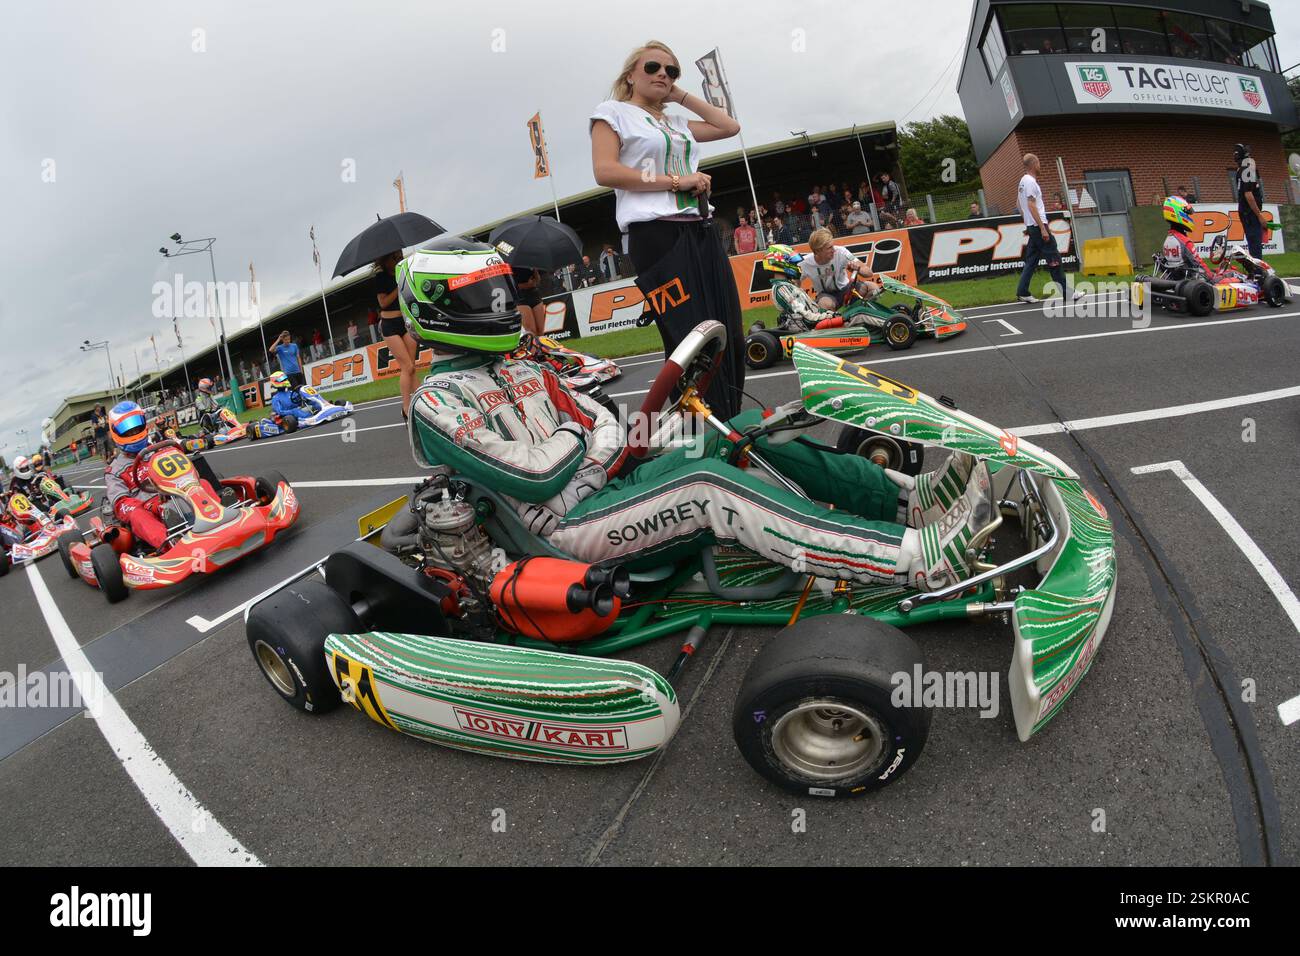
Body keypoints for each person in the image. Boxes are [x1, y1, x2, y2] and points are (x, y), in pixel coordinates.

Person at [400, 237, 988, 594]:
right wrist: (582, 445)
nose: (501, 307)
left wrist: (588, 448)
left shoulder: (524, 367)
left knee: (736, 434)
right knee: (710, 488)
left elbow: (602, 419)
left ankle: (914, 499)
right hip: (565, 534)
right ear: (440, 307)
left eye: (499, 293)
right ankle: (917, 562)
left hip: (608, 487)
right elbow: (536, 475)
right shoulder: (437, 403)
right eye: (483, 298)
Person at [590, 41, 747, 419]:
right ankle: (698, 428)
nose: (663, 73)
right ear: (631, 75)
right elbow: (605, 172)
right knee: (689, 339)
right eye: (653, 68)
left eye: (672, 71)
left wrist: (676, 94)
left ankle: (729, 420)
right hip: (655, 235)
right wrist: (677, 182)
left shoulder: (675, 121)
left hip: (700, 229)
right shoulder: (612, 113)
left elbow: (730, 126)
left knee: (728, 331)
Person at [104, 401, 218, 552]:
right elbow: (120, 503)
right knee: (137, 515)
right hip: (149, 508)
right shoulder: (115, 471)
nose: (134, 432)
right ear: (115, 433)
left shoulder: (161, 450)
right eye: (127, 430)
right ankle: (173, 546)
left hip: (179, 492)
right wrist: (147, 504)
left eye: (137, 427)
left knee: (202, 482)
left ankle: (219, 518)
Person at [1015, 153, 1083, 303]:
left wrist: (1028, 223)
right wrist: (1042, 228)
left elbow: (1019, 205)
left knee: (1032, 260)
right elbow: (1031, 205)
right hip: (1039, 226)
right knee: (1054, 257)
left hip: (1032, 225)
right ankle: (1067, 292)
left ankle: (1022, 291)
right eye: (1038, 163)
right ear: (1033, 164)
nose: (1040, 166)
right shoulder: (1031, 182)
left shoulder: (1022, 181)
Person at [373, 251, 419, 420]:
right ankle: (406, 407)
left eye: (400, 255)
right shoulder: (381, 277)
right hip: (389, 325)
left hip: (405, 322)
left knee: (412, 367)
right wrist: (398, 285)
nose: (399, 258)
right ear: (386, 260)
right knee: (407, 367)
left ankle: (422, 404)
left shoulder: (404, 271)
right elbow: (383, 303)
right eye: (394, 257)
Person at [801, 228, 880, 310]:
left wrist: (858, 268)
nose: (834, 250)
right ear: (817, 251)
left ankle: (861, 312)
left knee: (873, 288)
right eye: (829, 248)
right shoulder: (805, 262)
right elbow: (794, 284)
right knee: (825, 304)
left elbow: (869, 273)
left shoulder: (841, 252)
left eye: (833, 246)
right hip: (826, 295)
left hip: (846, 289)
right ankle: (839, 321)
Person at [1234, 144, 1265, 258]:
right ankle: (1257, 272)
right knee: (1255, 243)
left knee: (1254, 242)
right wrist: (1259, 215)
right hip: (1249, 213)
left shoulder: (1241, 169)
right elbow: (1248, 194)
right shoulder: (1247, 170)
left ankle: (1256, 269)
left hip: (1246, 211)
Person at [512, 264, 545, 337]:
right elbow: (514, 285)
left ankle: (540, 348)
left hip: (534, 294)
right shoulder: (512, 264)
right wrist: (528, 284)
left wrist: (535, 270)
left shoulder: (529, 261)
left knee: (541, 330)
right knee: (531, 331)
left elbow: (537, 280)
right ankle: (533, 347)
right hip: (521, 298)